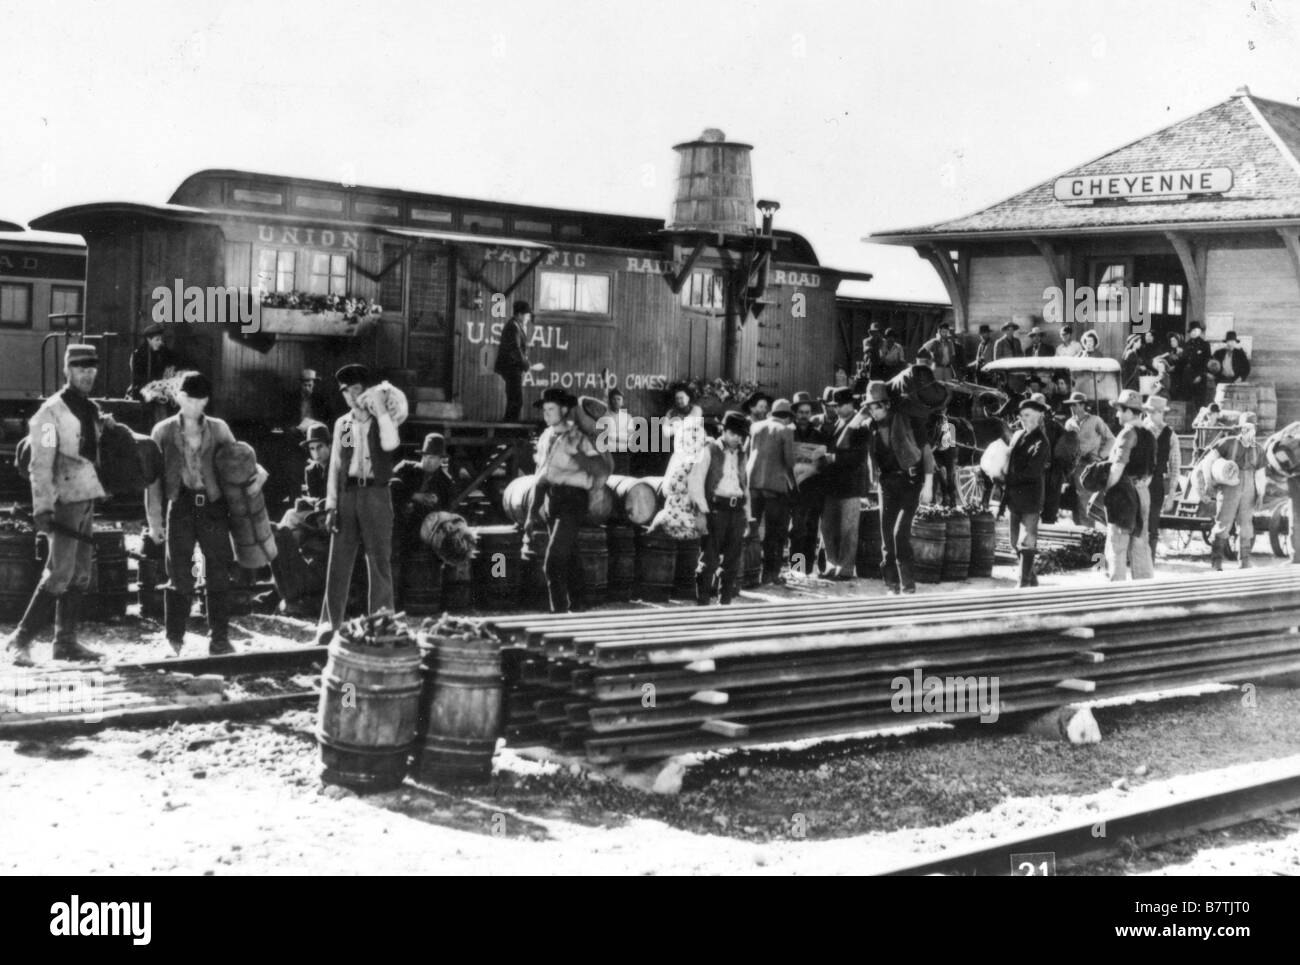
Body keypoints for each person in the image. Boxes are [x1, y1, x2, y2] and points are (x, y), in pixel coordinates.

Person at [4, 345, 107, 666]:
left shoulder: (90, 409)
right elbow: (40, 464)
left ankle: (65, 643)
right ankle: (19, 640)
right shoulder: (50, 413)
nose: (87, 374)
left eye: (91, 369)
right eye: (79, 369)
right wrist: (43, 507)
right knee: (59, 573)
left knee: (80, 574)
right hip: (62, 502)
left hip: (85, 496)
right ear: (67, 370)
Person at [145, 372, 241, 655]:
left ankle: (219, 639)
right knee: (178, 574)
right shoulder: (162, 431)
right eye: (187, 398)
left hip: (212, 507)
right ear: (179, 397)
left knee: (218, 572)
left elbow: (237, 463)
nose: (193, 405)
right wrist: (154, 521)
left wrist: (254, 481)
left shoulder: (219, 429)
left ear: (206, 401)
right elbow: (152, 481)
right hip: (181, 506)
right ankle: (174, 639)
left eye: (199, 400)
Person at [314, 364, 405, 645]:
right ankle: (330, 626)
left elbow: (390, 445)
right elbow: (337, 466)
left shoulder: (383, 419)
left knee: (379, 561)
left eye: (356, 390)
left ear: (366, 391)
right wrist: (331, 505)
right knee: (339, 561)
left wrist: (379, 410)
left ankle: (382, 626)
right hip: (348, 495)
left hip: (376, 494)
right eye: (346, 392)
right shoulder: (345, 424)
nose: (352, 397)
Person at [533, 387, 612, 611]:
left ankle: (558, 615)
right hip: (552, 499)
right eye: (544, 410)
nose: (546, 414)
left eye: (551, 409)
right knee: (570, 556)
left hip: (573, 501)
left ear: (564, 410)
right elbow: (540, 473)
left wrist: (593, 486)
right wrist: (535, 509)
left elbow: (602, 469)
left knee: (553, 563)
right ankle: (579, 607)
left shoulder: (578, 438)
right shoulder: (546, 436)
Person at [857, 382, 933, 593]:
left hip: (910, 483)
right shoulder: (870, 427)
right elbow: (846, 437)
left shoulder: (907, 420)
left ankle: (908, 585)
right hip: (886, 484)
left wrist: (928, 485)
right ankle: (892, 585)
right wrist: (860, 414)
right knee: (887, 535)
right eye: (870, 408)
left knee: (901, 533)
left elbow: (926, 452)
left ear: (888, 405)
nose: (874, 412)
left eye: (877, 407)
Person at [695, 412, 751, 605]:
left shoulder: (742, 454)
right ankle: (702, 604)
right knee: (709, 559)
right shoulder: (710, 450)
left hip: (737, 511)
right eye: (734, 433)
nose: (738, 438)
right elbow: (696, 481)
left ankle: (724, 603)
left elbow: (745, 485)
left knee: (732, 561)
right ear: (724, 431)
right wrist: (702, 511)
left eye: (741, 435)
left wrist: (748, 516)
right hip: (716, 509)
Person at [1103, 389, 1157, 581]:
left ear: (1128, 411)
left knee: (1117, 543)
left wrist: (1107, 489)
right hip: (1143, 491)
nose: (1117, 414)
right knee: (1141, 543)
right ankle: (1144, 591)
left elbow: (1117, 468)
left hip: (1123, 493)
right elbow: (1151, 471)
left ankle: (1116, 591)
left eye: (1119, 410)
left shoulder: (1127, 433)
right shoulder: (1149, 435)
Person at [746, 398, 797, 584]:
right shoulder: (786, 431)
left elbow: (748, 451)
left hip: (753, 485)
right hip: (775, 487)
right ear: (787, 417)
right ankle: (770, 574)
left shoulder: (755, 427)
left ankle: (747, 571)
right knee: (775, 533)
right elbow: (790, 462)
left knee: (751, 530)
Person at [1005, 393, 1052, 587]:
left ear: (1039, 415)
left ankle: (1023, 582)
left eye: (1027, 415)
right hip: (1013, 496)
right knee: (1013, 541)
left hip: (1031, 497)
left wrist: (1007, 478)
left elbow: (1032, 472)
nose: (1023, 419)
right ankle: (1031, 578)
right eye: (1022, 416)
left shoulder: (1041, 442)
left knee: (1027, 540)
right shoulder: (1017, 435)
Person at [1209, 412, 1262, 570]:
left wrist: (1260, 494)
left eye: (1252, 428)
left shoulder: (1258, 449)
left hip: (1250, 487)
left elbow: (1260, 473)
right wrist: (1208, 483)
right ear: (1240, 429)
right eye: (1246, 428)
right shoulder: (1227, 443)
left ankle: (1244, 561)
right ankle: (1216, 562)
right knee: (1223, 523)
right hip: (1229, 486)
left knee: (1246, 525)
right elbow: (1210, 461)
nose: (1249, 431)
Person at [789, 393, 829, 574]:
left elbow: (823, 460)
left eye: (807, 412)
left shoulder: (818, 434)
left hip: (813, 488)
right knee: (797, 530)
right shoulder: (788, 432)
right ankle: (797, 567)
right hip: (794, 488)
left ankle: (806, 569)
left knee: (812, 529)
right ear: (795, 413)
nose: (804, 415)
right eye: (801, 412)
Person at [1064, 390, 1114, 528]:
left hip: (1091, 465)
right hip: (1075, 465)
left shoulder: (1095, 420)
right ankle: (1081, 529)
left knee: (1088, 498)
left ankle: (1090, 531)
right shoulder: (1069, 423)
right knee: (1078, 499)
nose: (1072, 408)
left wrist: (1100, 456)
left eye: (1075, 405)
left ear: (1082, 405)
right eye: (1071, 405)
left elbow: (1111, 439)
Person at [1143, 395, 1181, 551]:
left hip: (1157, 484)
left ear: (1161, 413)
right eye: (1148, 412)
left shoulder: (1170, 435)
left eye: (1154, 412)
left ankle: (1149, 561)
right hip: (1138, 481)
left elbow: (1175, 466)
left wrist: (1171, 494)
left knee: (1152, 524)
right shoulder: (1140, 430)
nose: (1150, 415)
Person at [494, 300, 532, 422]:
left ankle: (509, 426)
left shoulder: (515, 325)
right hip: (511, 368)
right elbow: (515, 349)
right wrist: (524, 363)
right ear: (520, 314)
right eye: (527, 315)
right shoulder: (513, 327)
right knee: (516, 400)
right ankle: (509, 428)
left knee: (514, 399)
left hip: (512, 367)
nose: (528, 318)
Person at [282, 368, 334, 434]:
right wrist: (291, 427)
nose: (307, 388)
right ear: (300, 385)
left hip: (316, 433)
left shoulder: (321, 399)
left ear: (314, 385)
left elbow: (329, 418)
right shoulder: (292, 398)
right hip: (297, 433)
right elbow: (285, 419)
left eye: (310, 385)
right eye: (305, 385)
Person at [597, 387, 634, 475]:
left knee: (622, 479)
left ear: (622, 402)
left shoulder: (628, 417)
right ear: (610, 401)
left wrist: (613, 437)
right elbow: (602, 436)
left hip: (623, 455)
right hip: (609, 454)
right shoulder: (604, 416)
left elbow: (631, 437)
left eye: (618, 399)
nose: (616, 401)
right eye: (613, 399)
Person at [1183, 322, 1213, 408]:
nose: (1194, 332)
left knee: (1200, 403)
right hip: (1187, 378)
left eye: (1196, 330)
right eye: (1192, 330)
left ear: (1200, 331)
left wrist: (1200, 375)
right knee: (1187, 403)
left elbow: (1207, 362)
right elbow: (1184, 361)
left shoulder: (1205, 345)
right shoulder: (1186, 344)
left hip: (1200, 377)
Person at [300, 421, 331, 500]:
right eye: (312, 448)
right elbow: (313, 498)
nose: (316, 453)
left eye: (319, 447)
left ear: (329, 446)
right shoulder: (310, 470)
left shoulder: (338, 467)